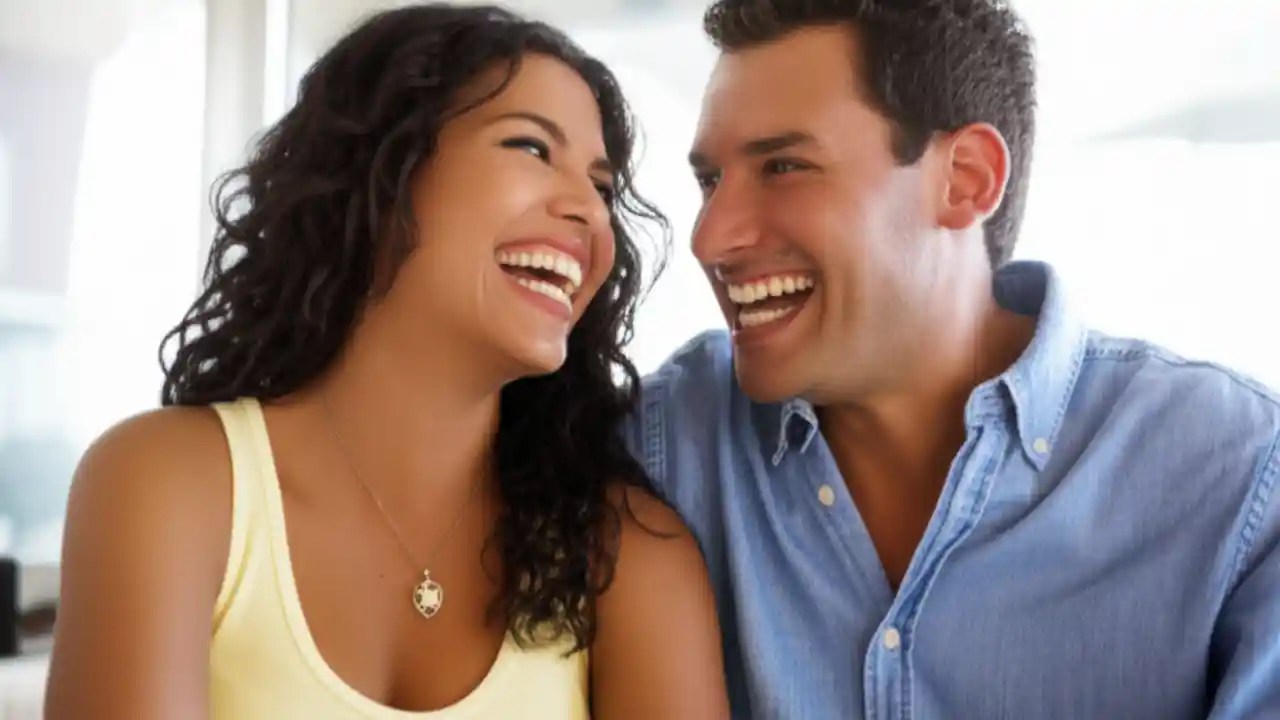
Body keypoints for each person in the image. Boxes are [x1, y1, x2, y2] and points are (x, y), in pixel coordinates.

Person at [45, 5, 729, 719]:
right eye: (530, 148)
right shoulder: (169, 487)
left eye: (603, 186)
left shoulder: (627, 559)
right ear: (383, 171)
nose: (590, 212)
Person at [623, 1, 1280, 718]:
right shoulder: (657, 451)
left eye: (783, 166)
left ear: (966, 179)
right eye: (710, 182)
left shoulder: (1237, 480)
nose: (710, 238)